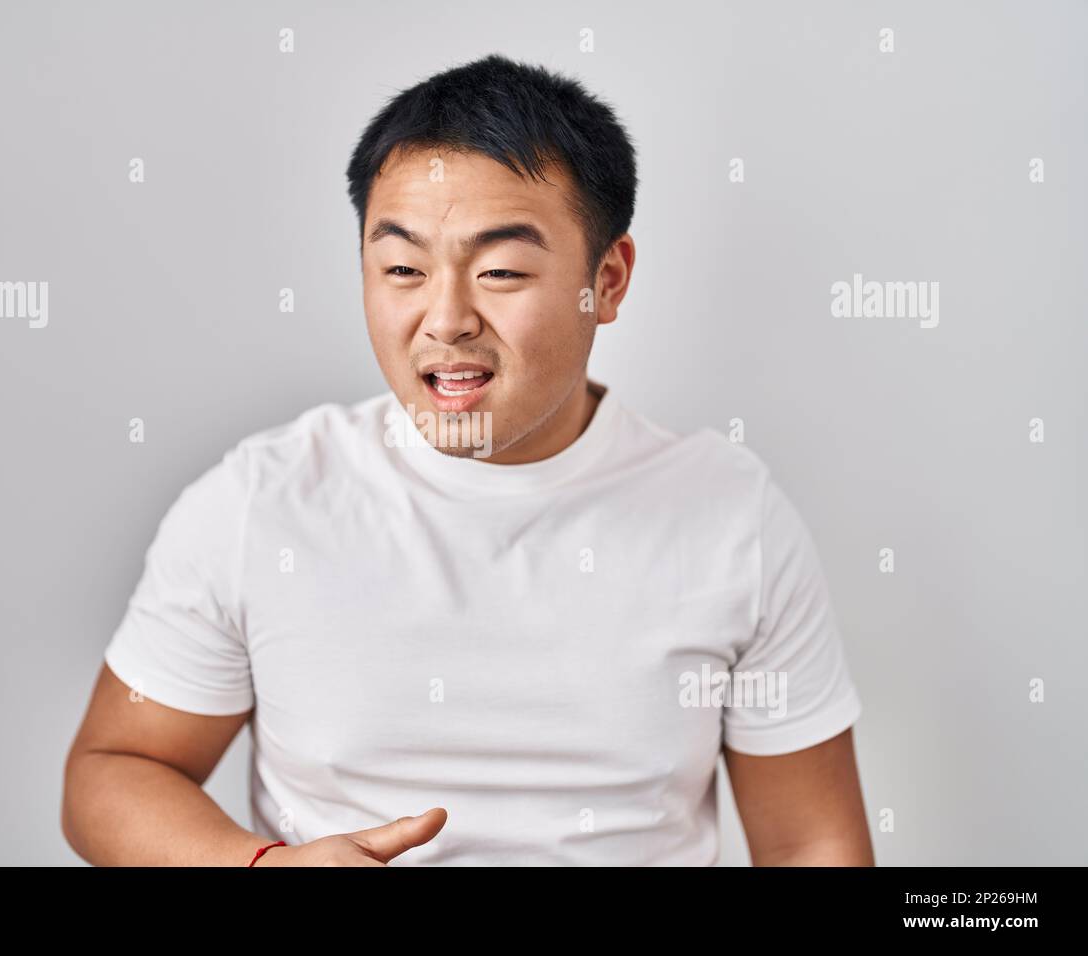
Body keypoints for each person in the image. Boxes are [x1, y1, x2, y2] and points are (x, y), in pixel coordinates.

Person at [61, 53, 873, 866]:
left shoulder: (731, 515)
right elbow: (115, 770)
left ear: (609, 279)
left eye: (501, 271)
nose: (445, 319)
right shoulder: (260, 503)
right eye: (404, 269)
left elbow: (811, 840)